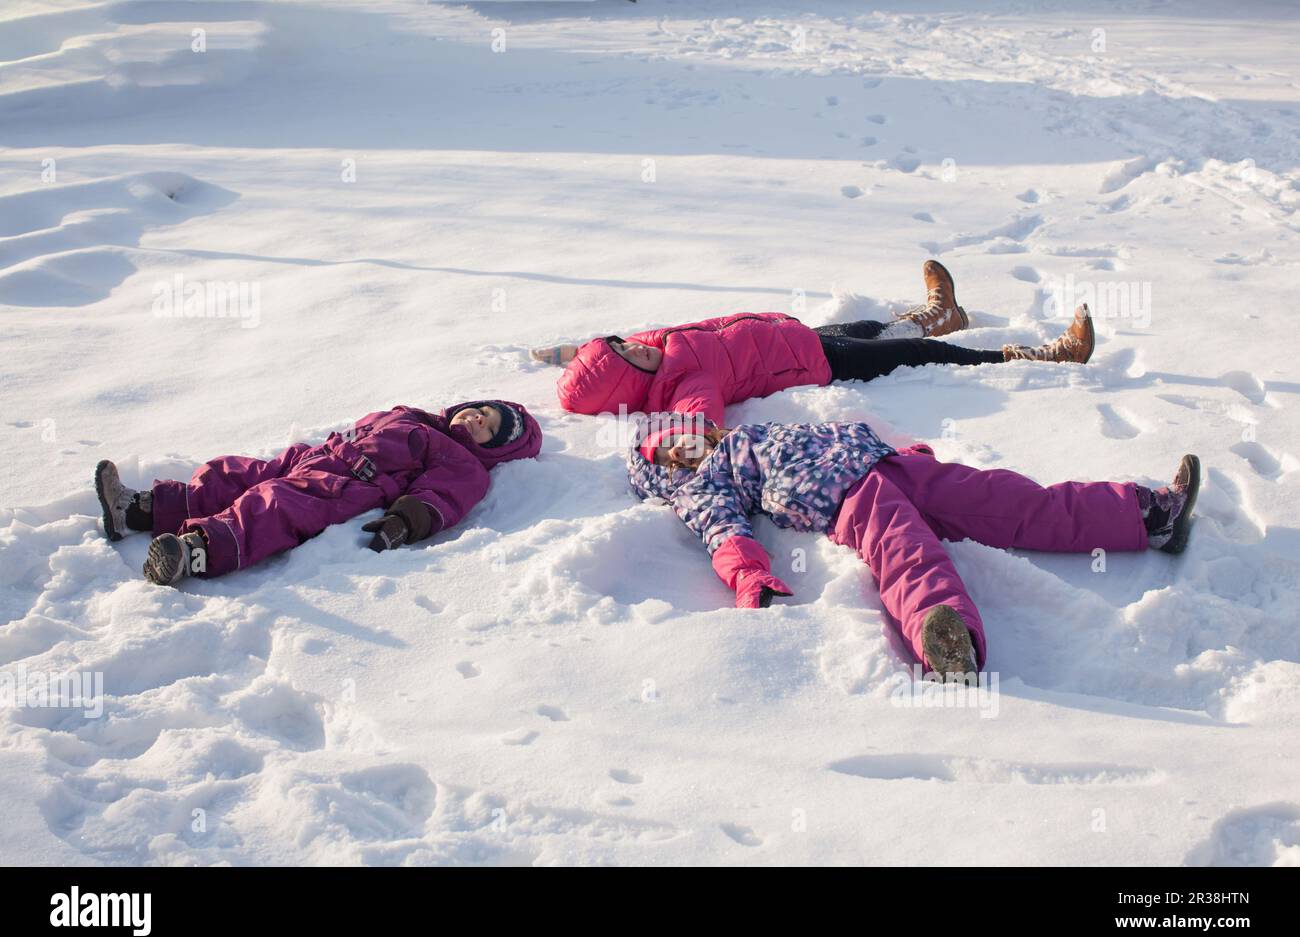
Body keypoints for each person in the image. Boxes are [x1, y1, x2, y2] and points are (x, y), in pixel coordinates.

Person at [625, 413, 1200, 681]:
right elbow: (725, 535)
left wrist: (907, 453)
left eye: (677, 440)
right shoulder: (704, 488)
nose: (683, 451)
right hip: (844, 496)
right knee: (907, 555)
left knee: (1013, 499)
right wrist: (751, 580)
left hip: (894, 467)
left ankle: (1148, 517)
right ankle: (943, 638)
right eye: (670, 459)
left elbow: (831, 433)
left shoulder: (752, 431)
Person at [534, 260, 1094, 424]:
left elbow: (596, 353)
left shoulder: (647, 346)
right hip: (816, 367)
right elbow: (702, 421)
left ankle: (939, 315)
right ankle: (1041, 355)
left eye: (626, 344)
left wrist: (563, 355)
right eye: (630, 358)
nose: (639, 347)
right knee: (917, 357)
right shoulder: (685, 385)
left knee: (869, 328)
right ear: (633, 385)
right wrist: (695, 441)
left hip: (794, 336)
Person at [94, 401, 542, 585]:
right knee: (234, 474)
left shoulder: (463, 465)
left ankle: (195, 552)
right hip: (320, 456)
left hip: (350, 486)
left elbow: (439, 498)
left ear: (494, 452)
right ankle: (137, 511)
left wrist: (404, 521)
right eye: (483, 411)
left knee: (274, 505)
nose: (479, 420)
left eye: (491, 430)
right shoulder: (414, 415)